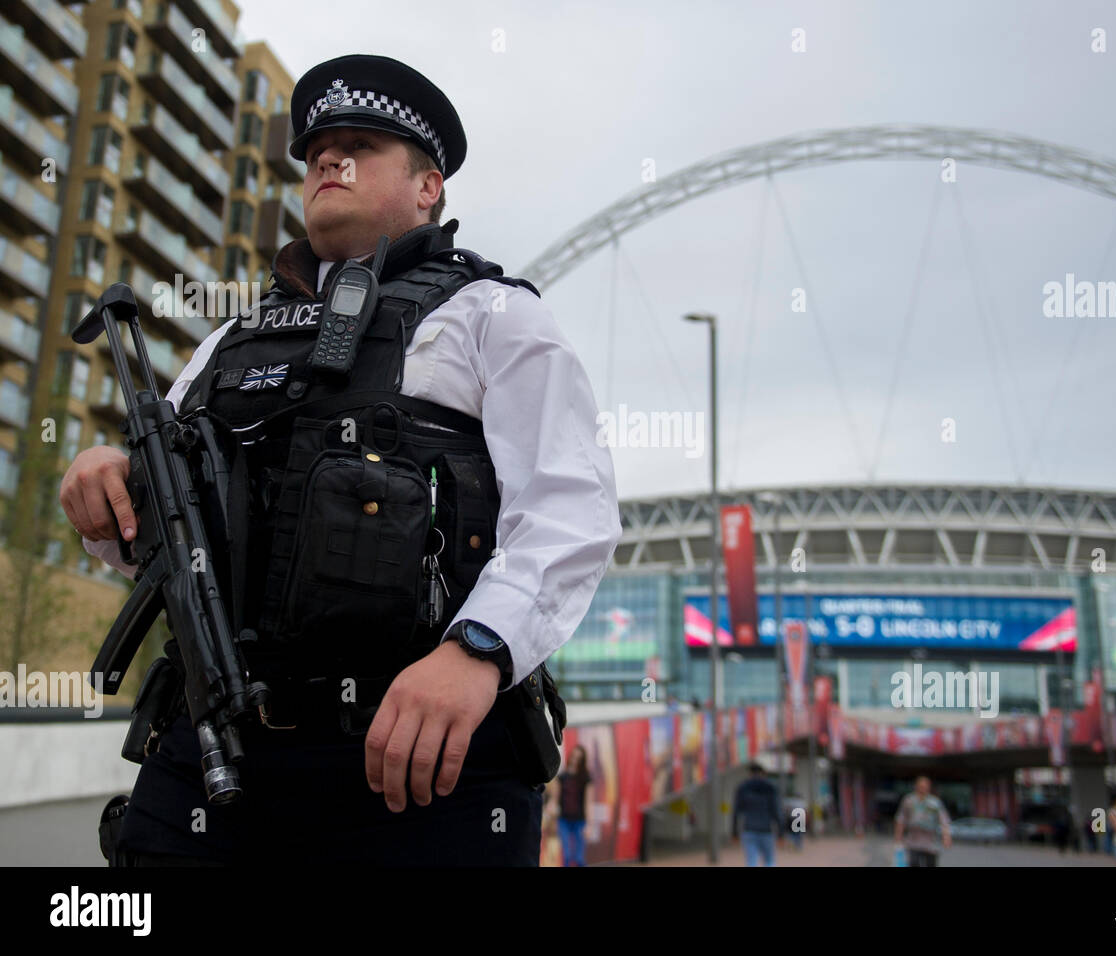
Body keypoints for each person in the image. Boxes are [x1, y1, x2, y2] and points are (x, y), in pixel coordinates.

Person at [62, 53, 621, 866]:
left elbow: (572, 510)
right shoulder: (230, 342)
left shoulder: (494, 317)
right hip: (212, 758)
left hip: (416, 770)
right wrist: (105, 485)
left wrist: (478, 652)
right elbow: (146, 543)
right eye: (318, 147)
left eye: (360, 143)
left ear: (428, 186)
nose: (327, 158)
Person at [893, 776, 952, 867]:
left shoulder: (935, 802)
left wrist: (946, 836)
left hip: (931, 842)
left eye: (925, 786)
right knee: (914, 863)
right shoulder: (909, 801)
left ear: (929, 787)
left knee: (931, 864)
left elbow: (944, 821)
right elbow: (901, 819)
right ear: (916, 786)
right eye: (920, 786)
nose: (923, 788)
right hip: (913, 841)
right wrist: (898, 837)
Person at [731, 762, 783, 866]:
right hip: (766, 829)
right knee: (769, 860)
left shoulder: (743, 787)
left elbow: (736, 812)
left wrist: (734, 833)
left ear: (750, 773)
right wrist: (781, 833)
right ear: (763, 773)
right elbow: (776, 811)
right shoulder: (770, 787)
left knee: (751, 861)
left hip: (749, 829)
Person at [554, 745, 591, 867]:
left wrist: (589, 824)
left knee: (579, 858)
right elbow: (555, 798)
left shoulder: (586, 778)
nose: (575, 760)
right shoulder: (562, 777)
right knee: (567, 856)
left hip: (580, 821)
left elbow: (588, 802)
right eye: (574, 757)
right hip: (564, 820)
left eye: (578, 758)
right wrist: (551, 808)